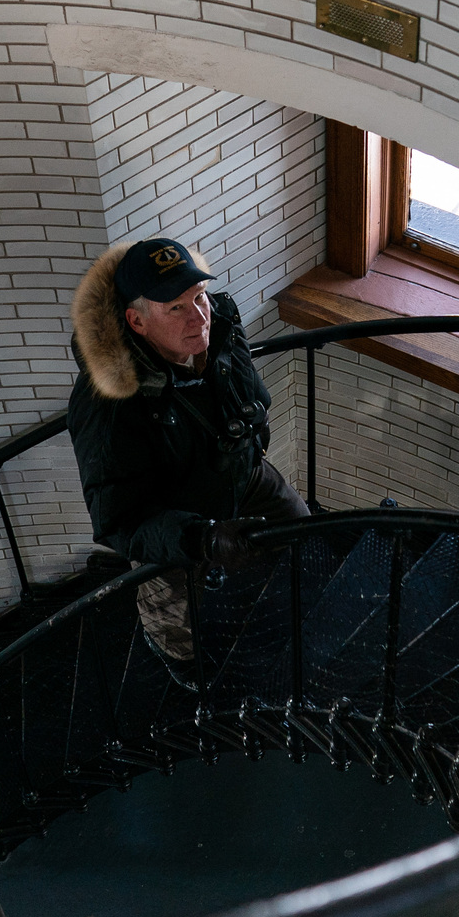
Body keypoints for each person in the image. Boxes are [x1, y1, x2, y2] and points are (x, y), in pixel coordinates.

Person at [67, 237, 309, 671]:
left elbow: (250, 395)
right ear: (136, 322)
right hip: (177, 521)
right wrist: (202, 538)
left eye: (199, 297)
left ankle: (286, 624)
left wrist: (251, 443)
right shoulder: (108, 406)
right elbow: (119, 520)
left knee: (302, 532)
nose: (198, 317)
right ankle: (190, 679)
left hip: (241, 475)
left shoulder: (218, 326)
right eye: (175, 308)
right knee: (181, 629)